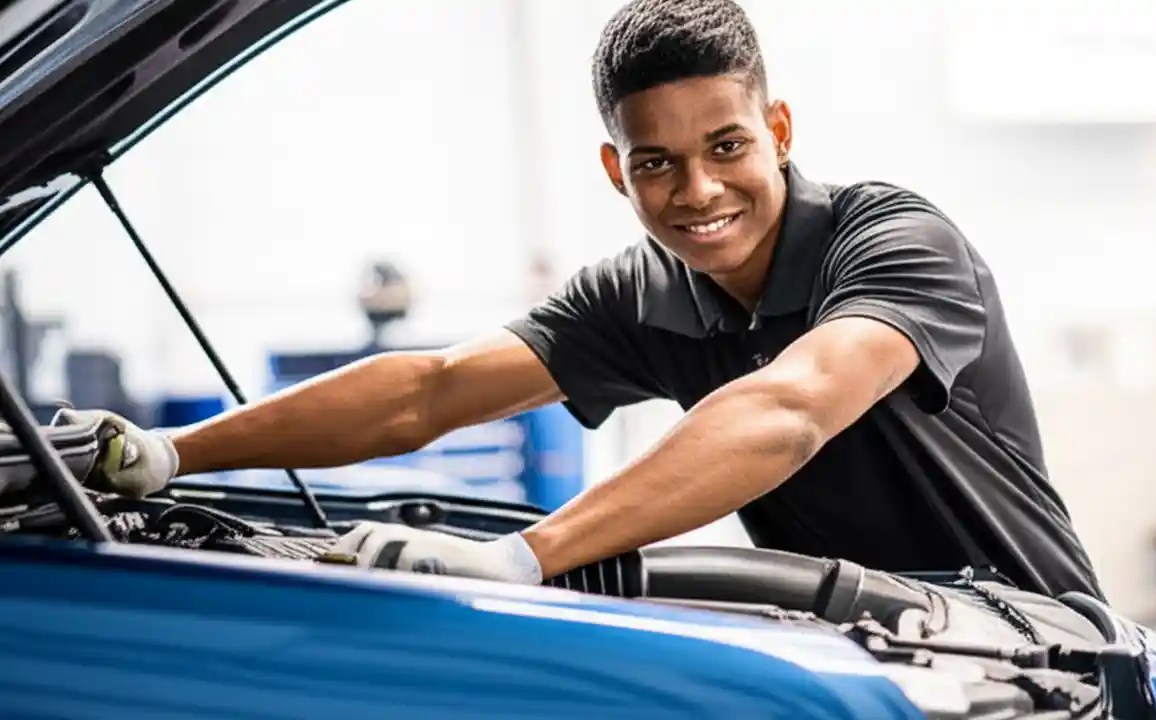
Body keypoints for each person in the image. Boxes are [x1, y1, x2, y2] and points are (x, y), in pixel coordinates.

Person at [77, 0, 1104, 599]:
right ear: (616, 171)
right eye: (656, 163)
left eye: (726, 147)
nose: (696, 192)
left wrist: (524, 557)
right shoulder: (645, 293)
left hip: (1037, 661)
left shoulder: (891, 240)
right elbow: (427, 393)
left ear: (778, 128)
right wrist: (169, 454)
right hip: (869, 660)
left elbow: (788, 410)